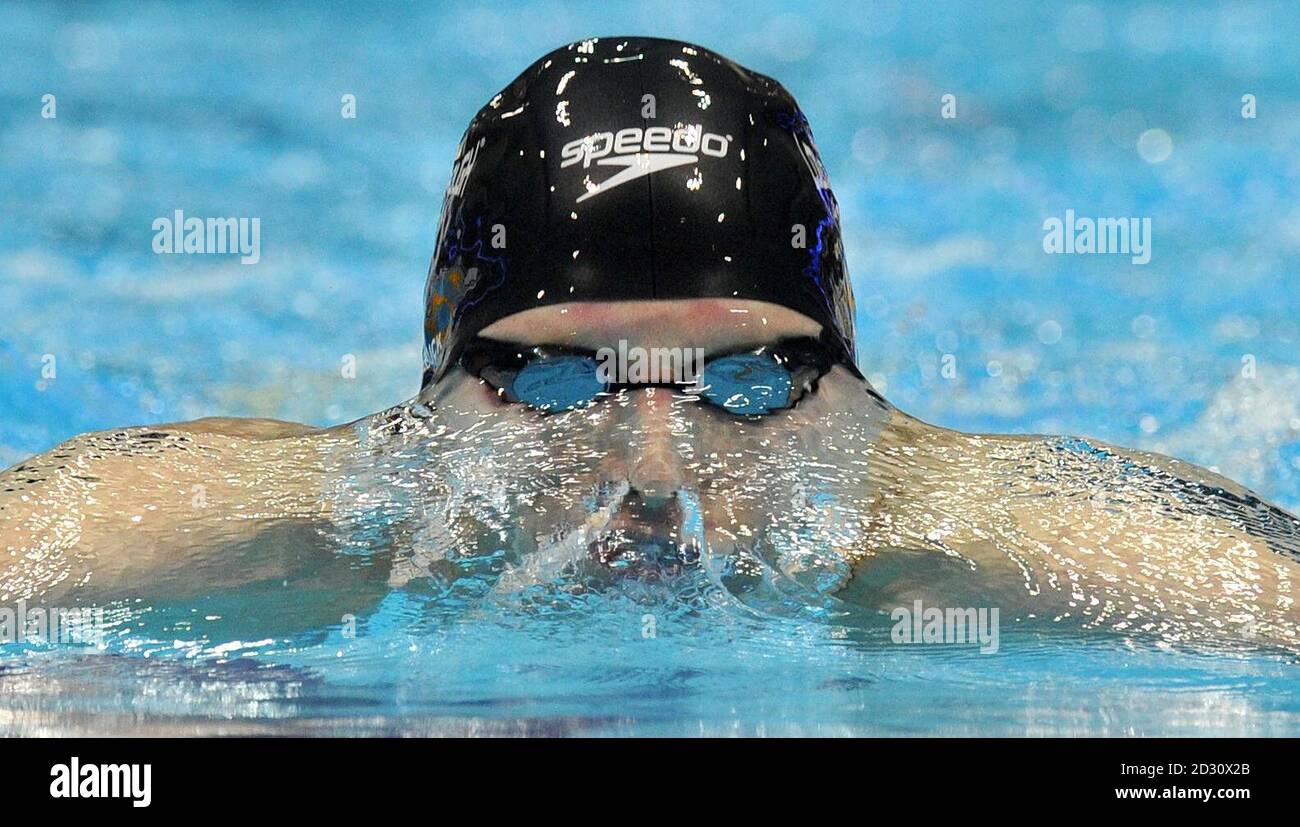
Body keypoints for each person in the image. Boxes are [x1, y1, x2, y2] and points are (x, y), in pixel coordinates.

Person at [3, 37, 1297, 650]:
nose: (657, 467)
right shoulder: (275, 528)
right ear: (441, 391)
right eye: (562, 377)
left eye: (747, 377)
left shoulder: (964, 542)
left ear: (846, 385)